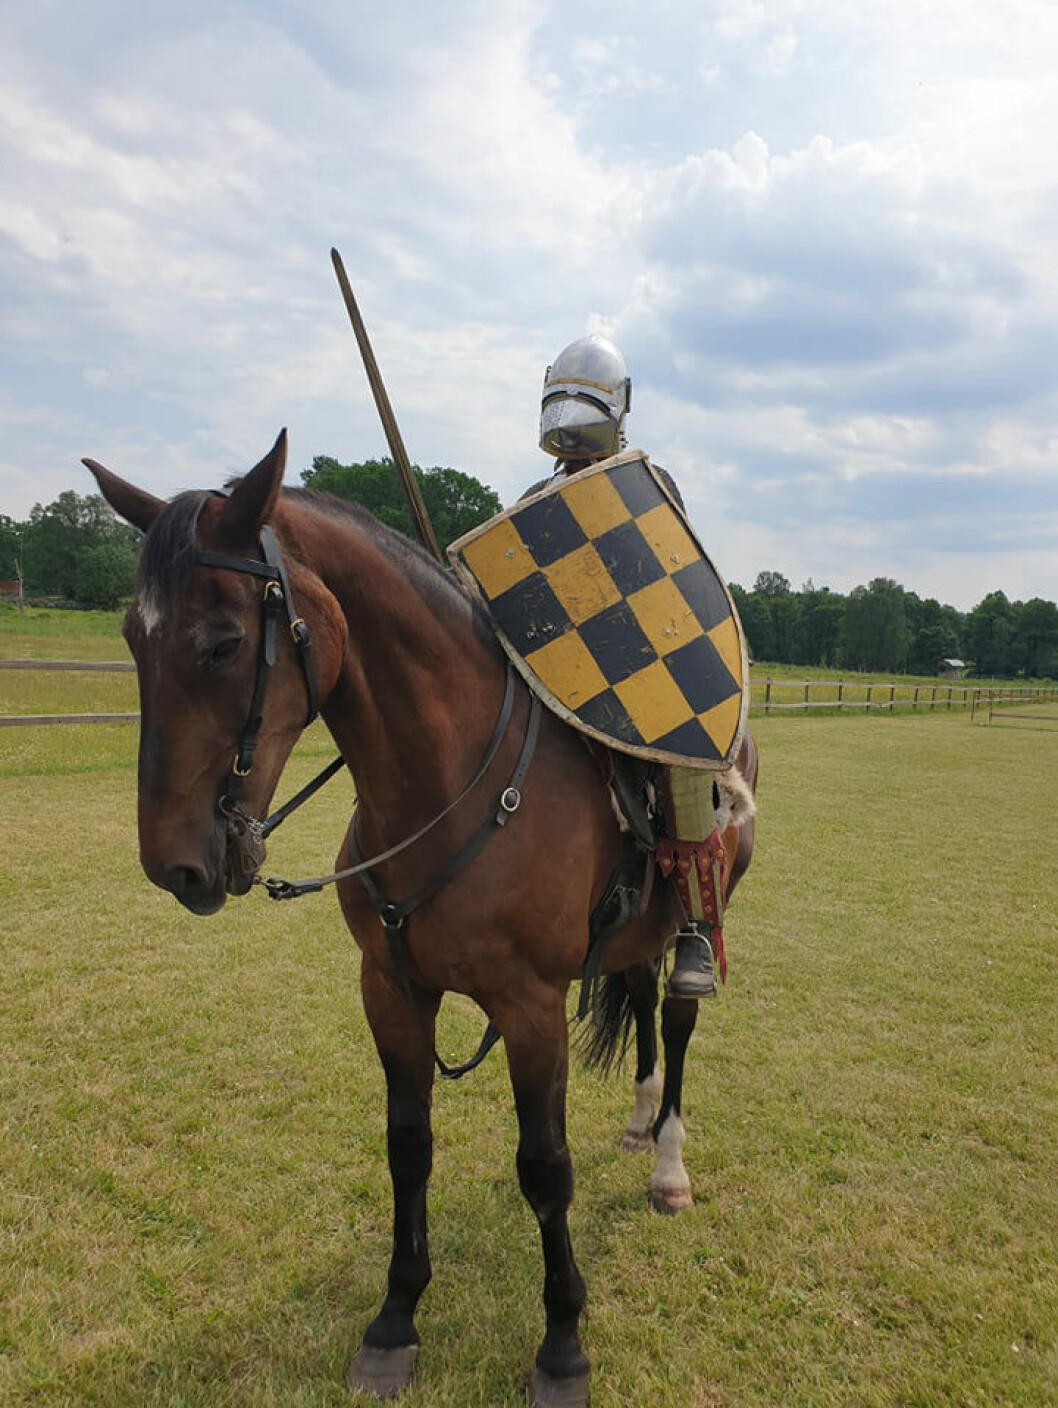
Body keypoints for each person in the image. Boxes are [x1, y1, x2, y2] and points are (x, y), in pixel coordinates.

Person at [524, 333, 728, 1000]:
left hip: (641, 674)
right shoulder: (536, 497)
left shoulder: (649, 487)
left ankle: (694, 929)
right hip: (556, 679)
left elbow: (673, 592)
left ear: (617, 409)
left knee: (684, 767)